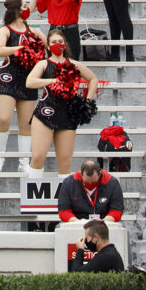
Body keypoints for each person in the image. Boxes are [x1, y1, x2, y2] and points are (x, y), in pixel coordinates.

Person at [25, 32, 99, 183]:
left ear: (65, 44)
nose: (57, 44)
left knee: (65, 161)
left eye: (60, 41)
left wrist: (87, 101)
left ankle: (63, 201)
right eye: (53, 42)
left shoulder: (75, 64)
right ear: (49, 45)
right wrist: (52, 80)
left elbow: (93, 79)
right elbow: (29, 82)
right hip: (45, 112)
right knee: (38, 156)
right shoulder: (43, 64)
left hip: (67, 114)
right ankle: (33, 198)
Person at [0, 0, 40, 173]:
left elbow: (47, 46)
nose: (28, 9)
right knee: (4, 118)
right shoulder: (5, 30)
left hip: (28, 77)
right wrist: (21, 48)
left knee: (26, 123)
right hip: (8, 76)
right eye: (25, 6)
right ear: (17, 10)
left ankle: (23, 162)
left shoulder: (33, 30)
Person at [58, 155, 124, 222]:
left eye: (93, 182)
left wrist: (103, 221)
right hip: (76, 222)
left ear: (100, 174)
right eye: (86, 182)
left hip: (104, 222)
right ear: (81, 174)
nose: (90, 184)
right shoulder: (69, 183)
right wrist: (79, 223)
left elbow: (117, 210)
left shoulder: (111, 183)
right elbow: (64, 211)